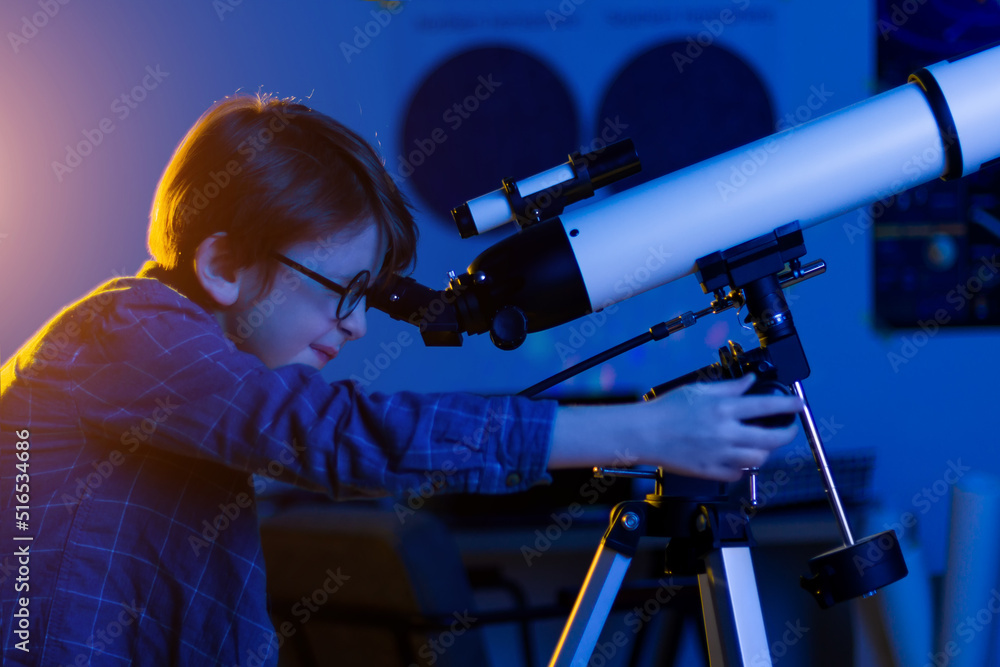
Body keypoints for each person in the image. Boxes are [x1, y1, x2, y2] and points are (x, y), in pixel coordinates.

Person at [0, 93, 801, 665]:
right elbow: (332, 436)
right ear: (221, 265)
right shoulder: (120, 335)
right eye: (343, 291)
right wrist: (648, 429)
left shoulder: (184, 379)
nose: (354, 325)